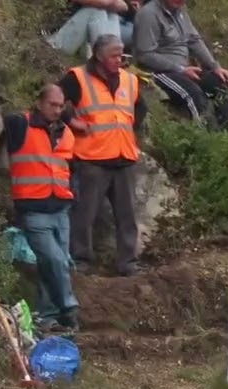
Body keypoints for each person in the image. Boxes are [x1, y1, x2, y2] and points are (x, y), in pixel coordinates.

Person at [57, 33, 149, 277]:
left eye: (121, 54)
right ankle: (82, 261)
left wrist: (128, 128)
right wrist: (72, 121)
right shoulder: (77, 77)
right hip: (92, 158)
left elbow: (141, 108)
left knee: (127, 215)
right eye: (114, 55)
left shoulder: (130, 80)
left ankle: (128, 262)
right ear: (98, 56)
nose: (120, 59)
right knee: (84, 214)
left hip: (124, 156)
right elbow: (54, 101)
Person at [0, 84, 81, 334]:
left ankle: (47, 316)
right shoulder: (22, 125)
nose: (57, 110)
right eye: (52, 104)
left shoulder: (66, 133)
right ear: (39, 103)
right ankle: (69, 307)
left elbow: (68, 167)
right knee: (55, 260)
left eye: (60, 105)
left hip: (61, 209)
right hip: (33, 211)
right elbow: (7, 120)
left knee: (50, 265)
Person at [130, 0, 228, 129]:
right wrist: (180, 69)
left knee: (221, 84)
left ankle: (227, 134)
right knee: (193, 94)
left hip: (184, 69)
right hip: (158, 72)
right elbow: (144, 55)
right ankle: (205, 137)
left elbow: (194, 40)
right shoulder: (149, 14)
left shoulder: (180, 11)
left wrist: (215, 66)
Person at [45, 0, 139, 58]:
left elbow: (123, 6)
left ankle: (112, 56)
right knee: (97, 10)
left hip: (79, 38)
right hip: (59, 40)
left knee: (111, 13)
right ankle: (106, 58)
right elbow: (103, 2)